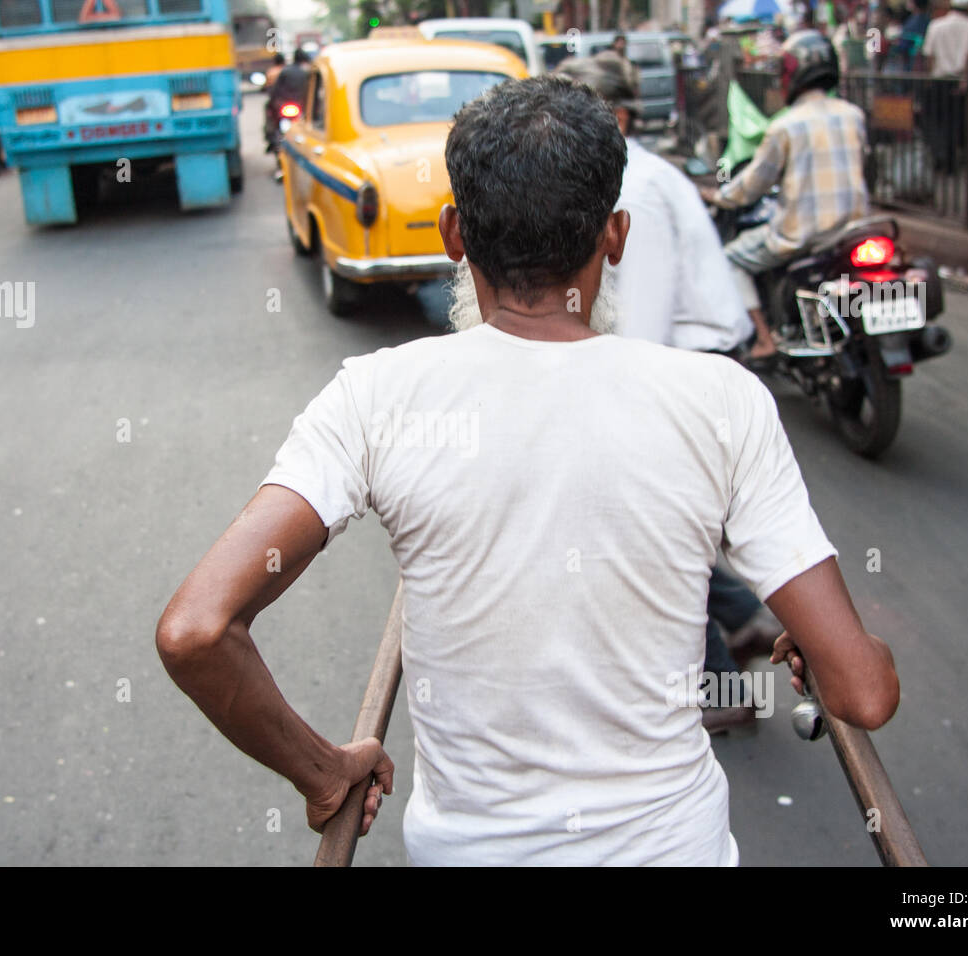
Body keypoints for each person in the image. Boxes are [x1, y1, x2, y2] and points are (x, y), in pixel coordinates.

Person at [156, 74, 900, 865]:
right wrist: (832, 650)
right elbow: (864, 692)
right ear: (615, 236)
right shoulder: (721, 400)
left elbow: (195, 632)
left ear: (452, 234)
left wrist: (322, 774)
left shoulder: (373, 397)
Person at [555, 53, 781, 732]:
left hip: (689, 368)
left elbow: (641, 328)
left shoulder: (637, 190)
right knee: (664, 524)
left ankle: (722, 689)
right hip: (692, 363)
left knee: (652, 531)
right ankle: (742, 618)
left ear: (619, 119)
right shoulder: (629, 179)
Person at [700, 31, 868, 361]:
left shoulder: (785, 126)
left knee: (728, 261)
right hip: (854, 231)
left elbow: (752, 186)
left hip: (803, 234)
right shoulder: (854, 115)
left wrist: (718, 196)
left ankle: (764, 338)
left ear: (791, 74)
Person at [921, 0, 968, 172]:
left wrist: (929, 79)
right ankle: (949, 159)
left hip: (939, 79)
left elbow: (929, 56)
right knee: (954, 122)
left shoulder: (936, 25)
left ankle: (940, 157)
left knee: (938, 121)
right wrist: (966, 80)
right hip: (959, 80)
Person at [265, 49, 311, 179]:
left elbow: (275, 91)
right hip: (296, 107)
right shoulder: (305, 73)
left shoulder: (284, 72)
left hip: (288, 107)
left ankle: (270, 136)